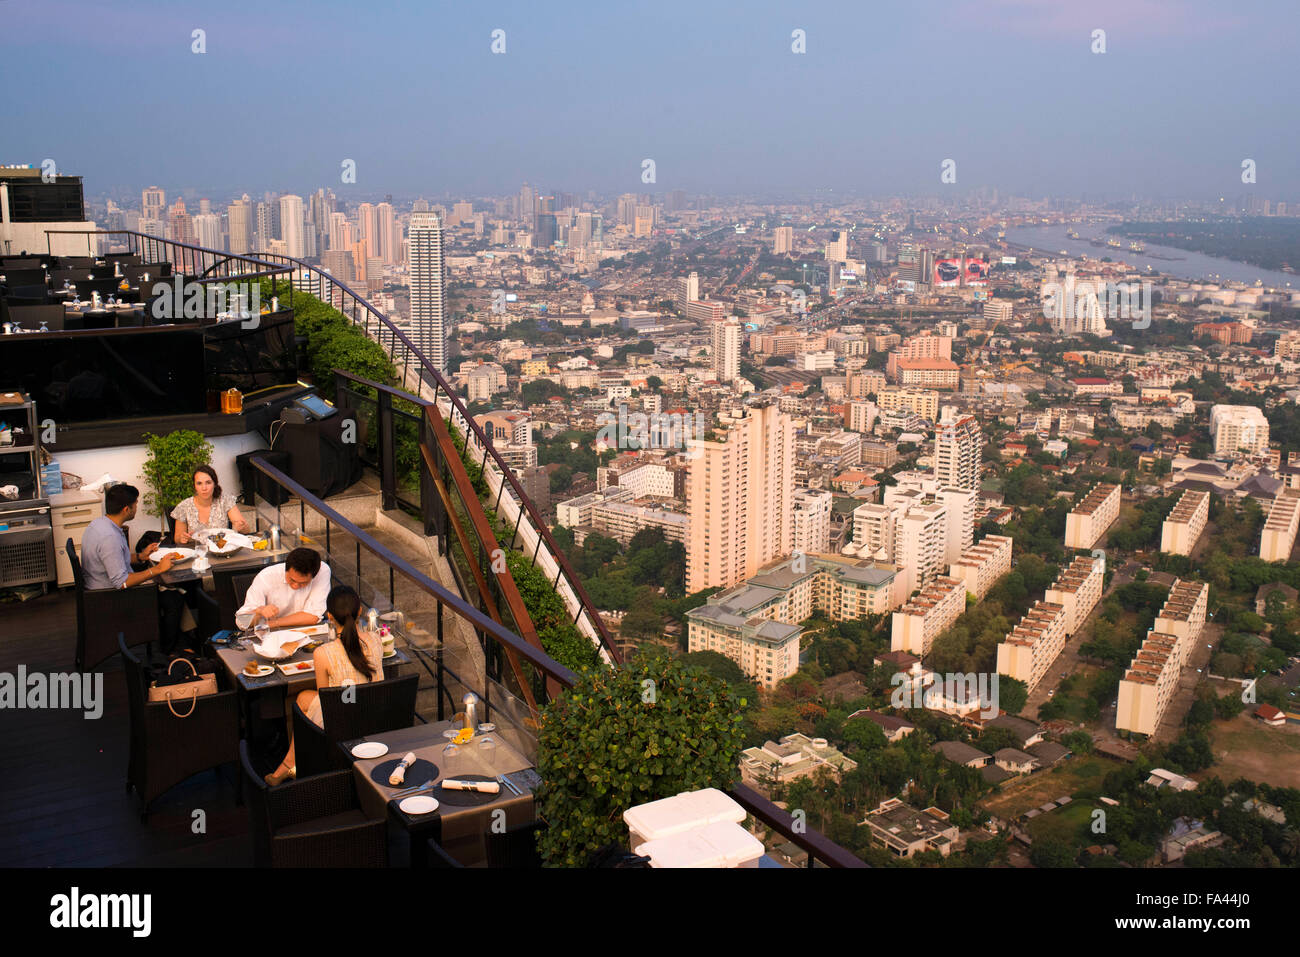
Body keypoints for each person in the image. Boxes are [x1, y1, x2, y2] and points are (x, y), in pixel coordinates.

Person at [265, 585, 382, 785]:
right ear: (360, 611)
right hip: (376, 712)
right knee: (303, 698)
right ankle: (289, 764)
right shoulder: (375, 639)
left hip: (344, 718)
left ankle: (291, 765)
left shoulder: (323, 653)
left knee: (304, 701)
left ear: (329, 616)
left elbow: (325, 697)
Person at [79, 483, 189, 652]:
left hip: (97, 586)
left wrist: (140, 557)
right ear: (126, 509)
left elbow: (112, 560)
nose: (137, 507)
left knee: (170, 588)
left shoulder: (99, 524)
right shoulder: (110, 538)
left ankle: (181, 639)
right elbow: (121, 582)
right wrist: (157, 569)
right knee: (173, 598)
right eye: (135, 504)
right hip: (108, 598)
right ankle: (169, 650)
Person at [235, 546, 331, 630]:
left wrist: (270, 624)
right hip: (271, 635)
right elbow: (242, 622)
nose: (295, 586)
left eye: (303, 583)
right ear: (286, 569)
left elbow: (312, 616)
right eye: (292, 580)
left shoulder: (322, 571)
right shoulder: (266, 576)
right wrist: (258, 611)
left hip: (302, 630)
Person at [171, 465, 249, 545]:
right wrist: (182, 538)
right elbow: (177, 539)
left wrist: (242, 526)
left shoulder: (225, 500)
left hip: (221, 550)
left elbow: (246, 530)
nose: (204, 488)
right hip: (197, 552)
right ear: (194, 486)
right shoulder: (183, 506)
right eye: (199, 483)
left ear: (215, 484)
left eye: (208, 483)